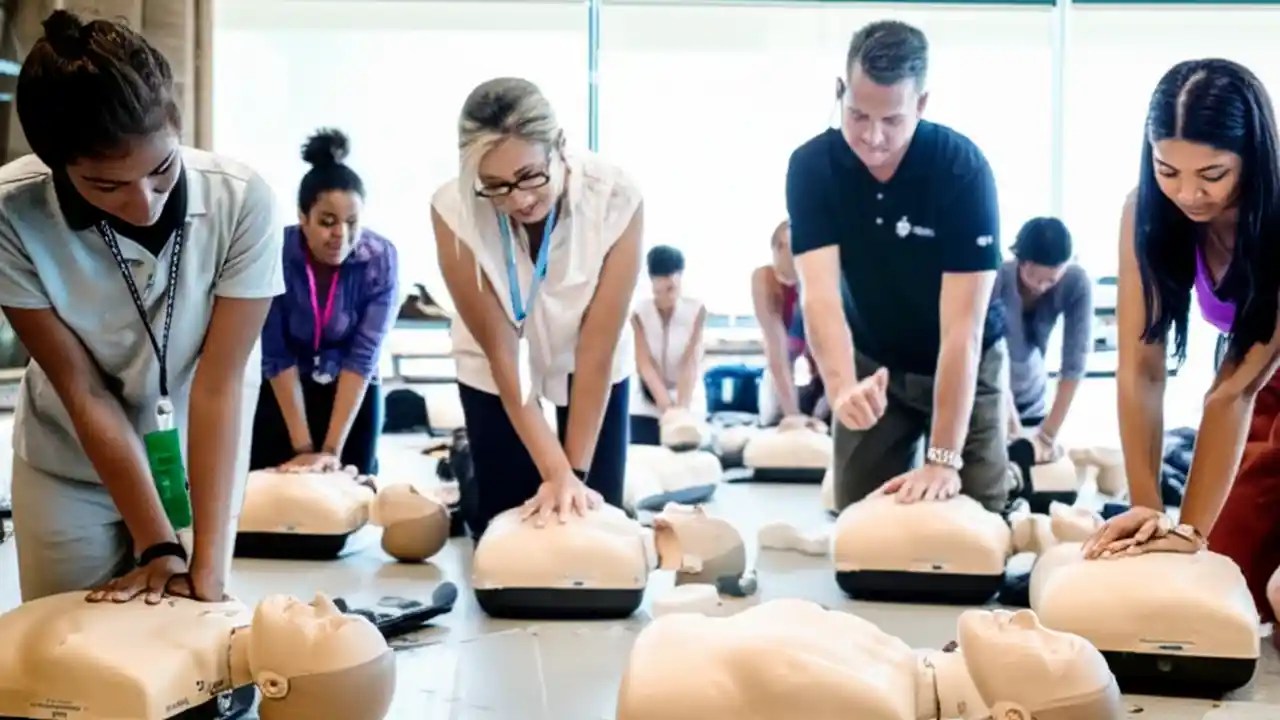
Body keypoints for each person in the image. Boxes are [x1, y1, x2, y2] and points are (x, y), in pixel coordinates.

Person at [0, 11, 282, 603]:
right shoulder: (12, 213)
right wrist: (157, 543)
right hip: (68, 464)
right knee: (64, 658)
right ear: (58, 167)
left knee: (190, 626)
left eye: (161, 171)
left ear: (176, 126)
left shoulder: (242, 201)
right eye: (106, 186)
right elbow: (81, 388)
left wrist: (203, 560)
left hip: (195, 457)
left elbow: (219, 384)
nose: (145, 204)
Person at [1083, 59, 1280, 621]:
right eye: (1167, 169)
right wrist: (1148, 510)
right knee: (1229, 565)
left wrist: (1188, 532)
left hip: (1252, 383)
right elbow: (1141, 368)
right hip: (1263, 389)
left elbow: (1229, 394)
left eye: (1212, 175)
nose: (1188, 193)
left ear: (1253, 158)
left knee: (1251, 582)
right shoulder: (1144, 210)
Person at [786, 20, 1009, 514]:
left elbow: (962, 332)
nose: (873, 138)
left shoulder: (961, 170)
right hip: (874, 360)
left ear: (922, 106)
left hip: (962, 356)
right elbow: (819, 295)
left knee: (980, 513)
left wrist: (944, 458)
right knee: (858, 514)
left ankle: (1004, 486)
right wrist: (843, 388)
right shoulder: (812, 168)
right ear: (840, 92)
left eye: (892, 121)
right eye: (859, 115)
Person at [431, 77, 643, 536]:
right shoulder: (453, 209)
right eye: (496, 185)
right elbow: (504, 356)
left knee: (589, 520)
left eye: (530, 176)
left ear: (559, 147)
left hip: (589, 363)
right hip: (495, 367)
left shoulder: (616, 198)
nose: (519, 199)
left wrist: (573, 479)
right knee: (505, 524)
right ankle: (469, 466)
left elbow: (596, 349)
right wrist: (554, 473)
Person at [251, 128, 398, 476]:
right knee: (274, 488)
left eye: (352, 222)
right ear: (303, 218)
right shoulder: (274, 255)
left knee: (348, 487)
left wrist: (330, 452)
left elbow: (363, 356)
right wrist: (303, 449)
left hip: (350, 385)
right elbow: (275, 352)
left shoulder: (380, 259)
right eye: (327, 222)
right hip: (285, 383)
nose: (340, 235)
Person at [995, 217, 1093, 462]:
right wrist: (1013, 430)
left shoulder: (1075, 282)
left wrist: (1047, 436)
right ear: (1019, 260)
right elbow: (988, 355)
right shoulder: (996, 277)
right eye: (1032, 277)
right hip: (991, 397)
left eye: (1050, 280)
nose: (1040, 287)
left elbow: (1074, 363)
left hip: (1033, 399)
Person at [751, 220, 829, 427]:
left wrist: (826, 405)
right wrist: (793, 416)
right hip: (783, 377)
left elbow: (829, 347)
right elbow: (777, 352)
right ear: (779, 247)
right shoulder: (764, 279)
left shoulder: (816, 280)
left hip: (819, 375)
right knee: (781, 417)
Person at [630, 245, 706, 445]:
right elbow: (645, 365)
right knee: (644, 445)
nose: (666, 297)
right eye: (659, 291)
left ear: (680, 277)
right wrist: (667, 409)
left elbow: (690, 362)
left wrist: (680, 410)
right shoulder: (639, 313)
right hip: (648, 400)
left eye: (671, 289)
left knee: (687, 441)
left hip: (687, 397)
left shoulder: (696, 310)